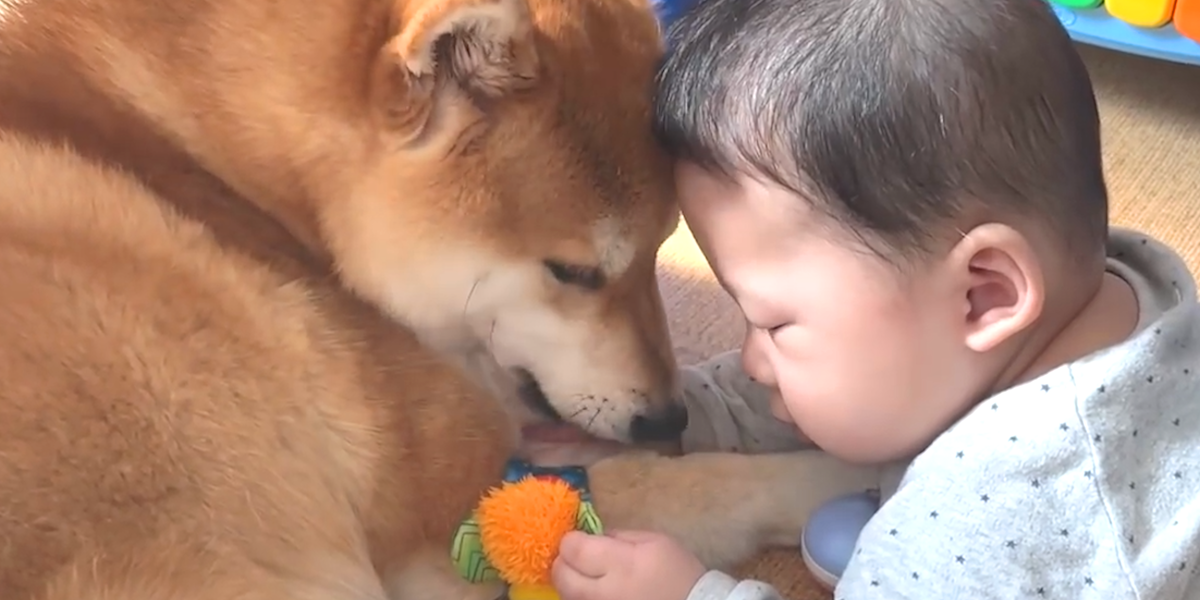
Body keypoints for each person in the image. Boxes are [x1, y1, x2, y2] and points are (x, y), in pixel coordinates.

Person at [546, 0, 1200, 598]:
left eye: (774, 324)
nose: (751, 358)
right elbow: (860, 369)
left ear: (985, 296)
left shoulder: (977, 535)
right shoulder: (1127, 281)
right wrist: (691, 410)